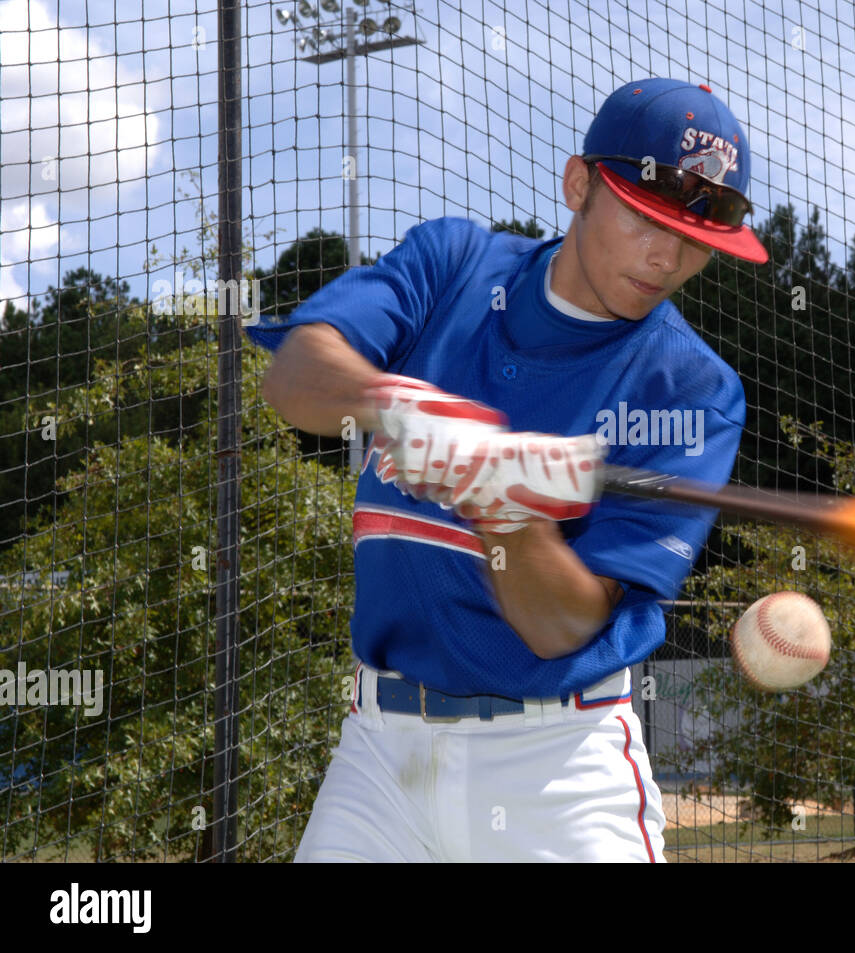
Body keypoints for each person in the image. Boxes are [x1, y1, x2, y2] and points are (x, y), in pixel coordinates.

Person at [247, 77, 768, 862]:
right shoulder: (451, 264)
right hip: (382, 756)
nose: (666, 257)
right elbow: (292, 377)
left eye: (696, 241)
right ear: (578, 184)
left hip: (558, 765)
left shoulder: (690, 389)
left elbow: (562, 625)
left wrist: (508, 512)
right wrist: (394, 403)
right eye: (645, 218)